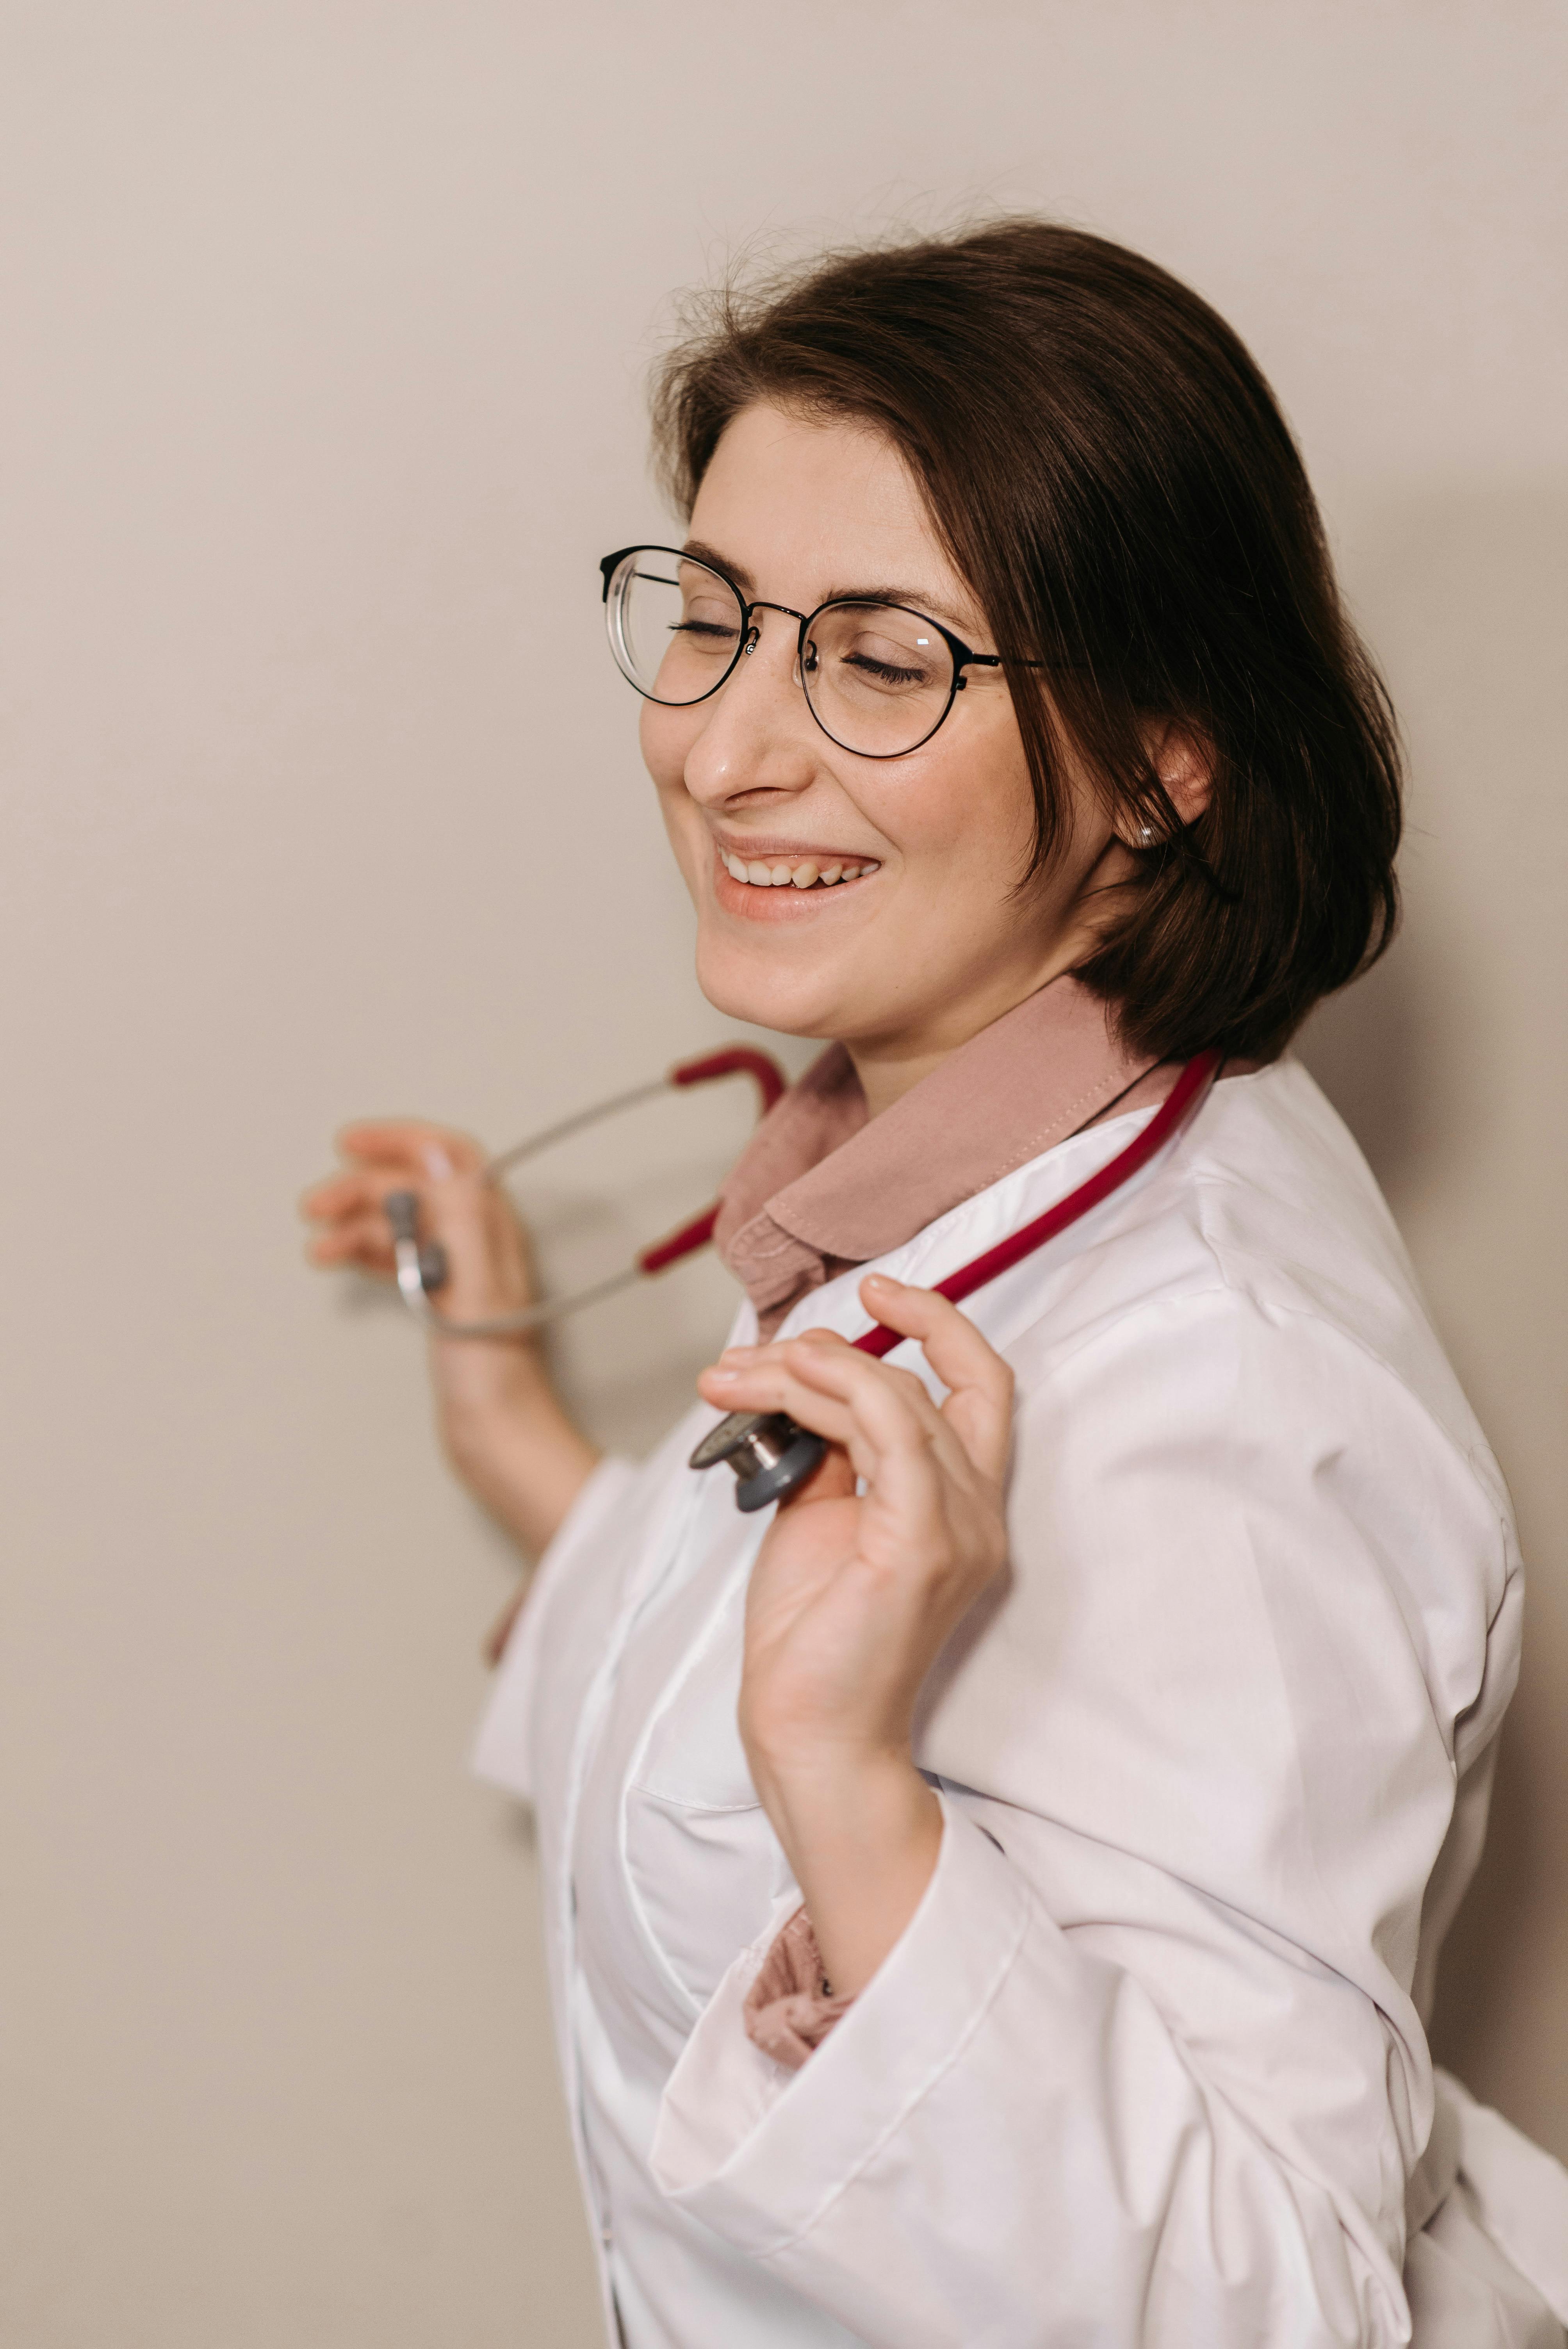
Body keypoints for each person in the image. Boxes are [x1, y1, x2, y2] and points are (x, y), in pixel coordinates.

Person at [301, 222, 1568, 2347]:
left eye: (883, 662)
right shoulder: (918, 1180)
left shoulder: (1227, 1401)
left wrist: (855, 1799)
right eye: (710, 620)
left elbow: (1275, 2309)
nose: (724, 753)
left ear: (1165, 761)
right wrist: (514, 1430)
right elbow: (747, 1688)